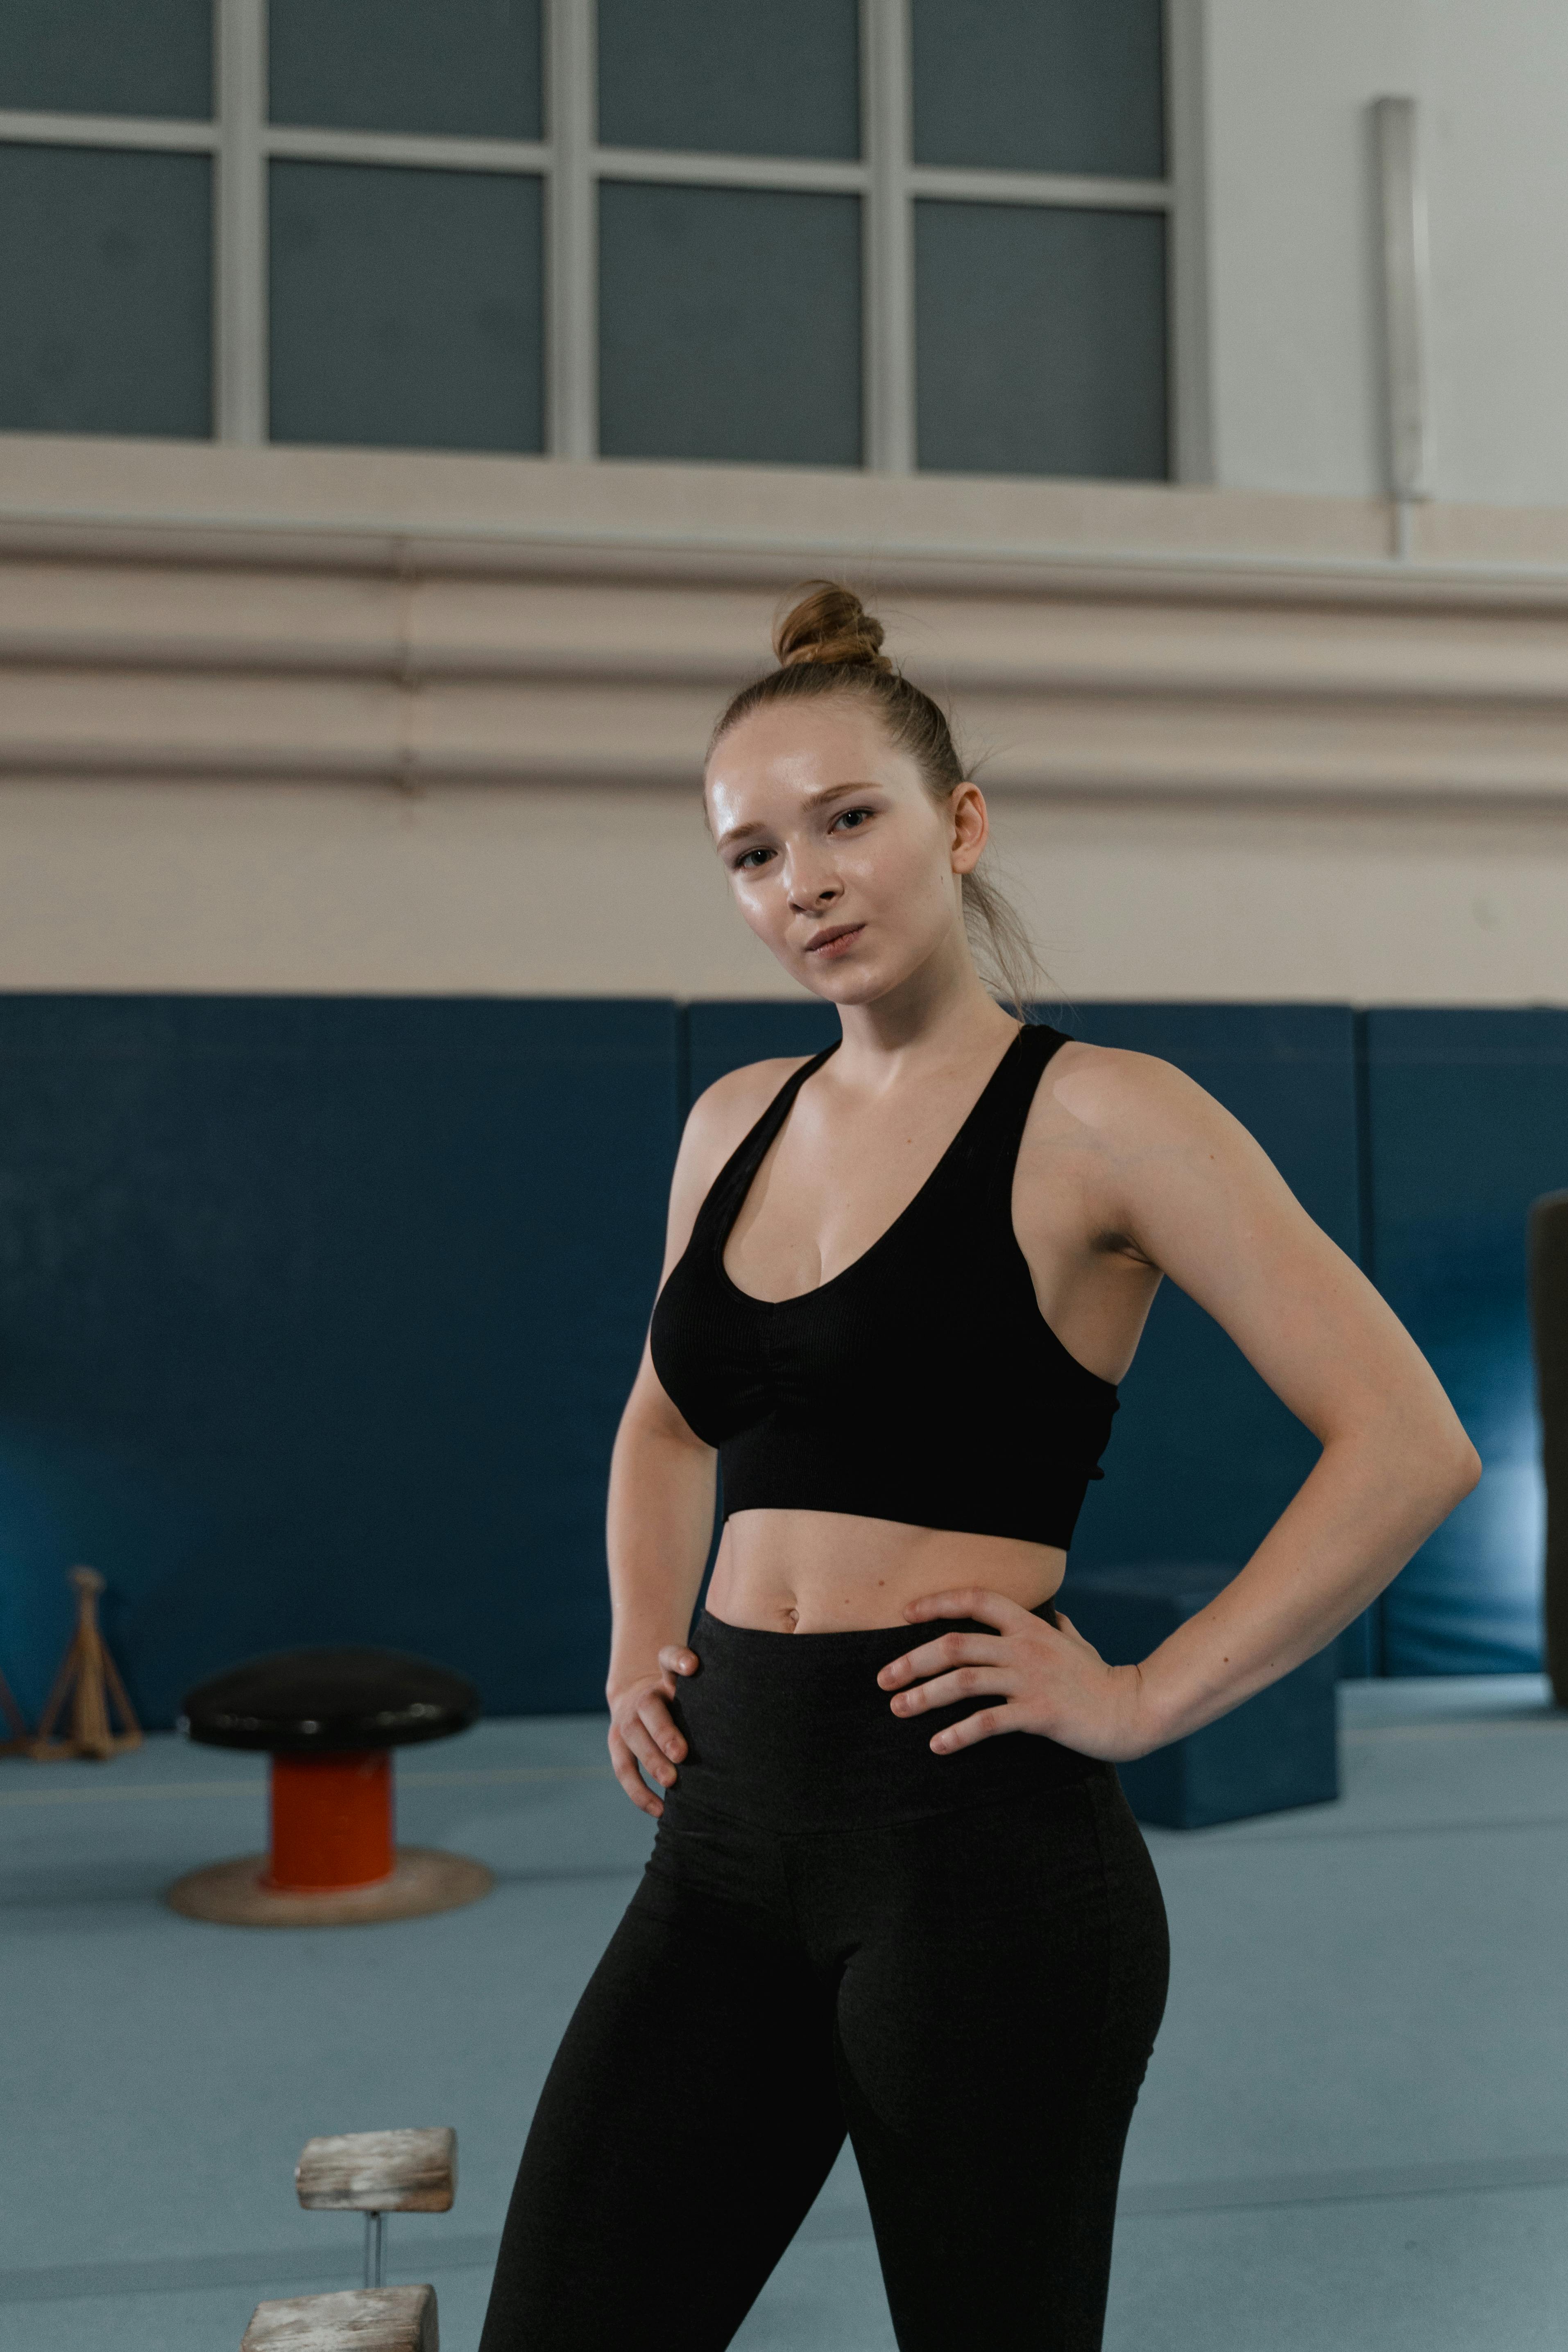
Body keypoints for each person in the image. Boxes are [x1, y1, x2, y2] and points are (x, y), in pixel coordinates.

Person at [478, 584, 1479, 2352]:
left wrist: (1152, 1689)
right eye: (754, 851)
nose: (807, 881)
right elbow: (662, 1419)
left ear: (959, 822)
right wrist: (642, 1645)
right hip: (721, 1839)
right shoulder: (731, 1123)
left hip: (973, 1858)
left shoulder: (1108, 1113)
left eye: (849, 819)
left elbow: (1408, 1440)